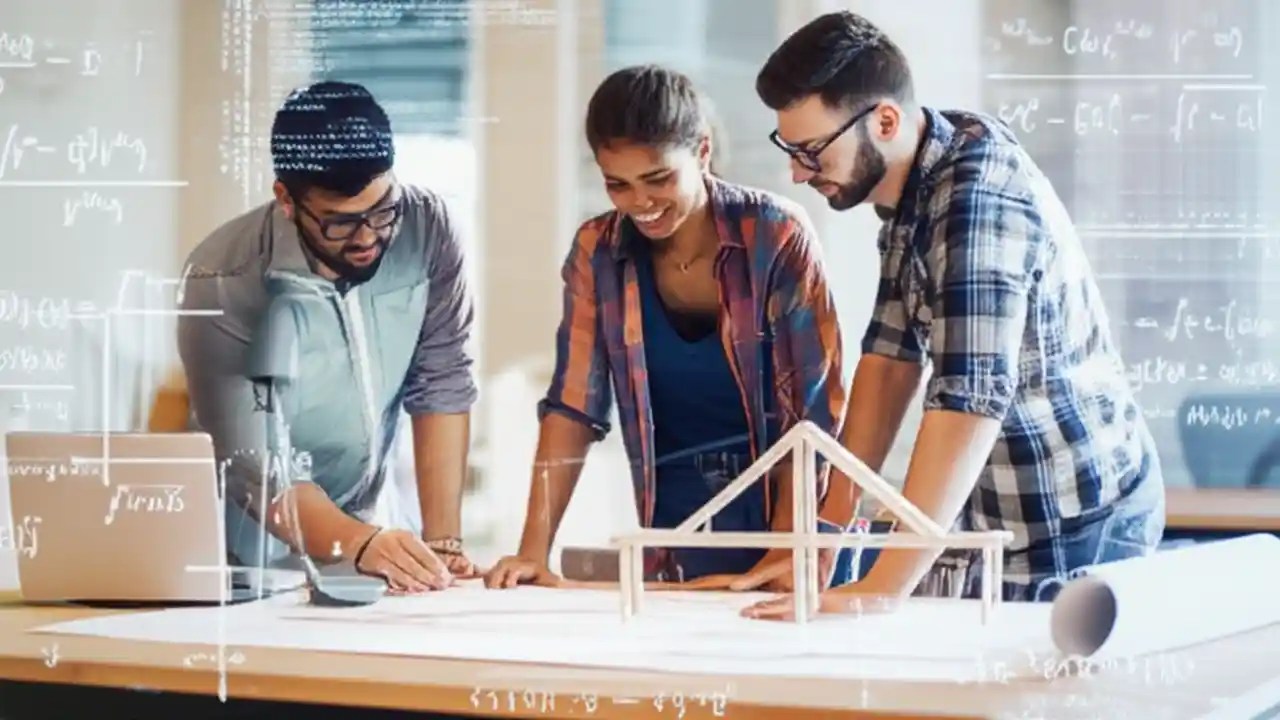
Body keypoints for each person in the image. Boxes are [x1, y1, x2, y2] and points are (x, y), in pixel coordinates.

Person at [743, 11, 1166, 618]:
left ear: (884, 121)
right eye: (791, 150)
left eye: (812, 151)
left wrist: (879, 591)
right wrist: (826, 539)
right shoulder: (917, 175)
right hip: (991, 505)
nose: (798, 173)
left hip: (1078, 515)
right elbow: (888, 365)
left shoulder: (977, 204)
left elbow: (969, 400)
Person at [484, 65, 853, 590]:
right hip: (674, 521)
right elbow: (573, 407)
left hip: (784, 512)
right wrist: (533, 551)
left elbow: (815, 415)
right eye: (618, 184)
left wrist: (790, 552)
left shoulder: (776, 236)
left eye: (658, 178)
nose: (641, 203)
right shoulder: (599, 251)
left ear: (702, 152)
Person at [178, 81, 480, 593]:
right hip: (243, 547)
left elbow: (442, 383)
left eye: (381, 210)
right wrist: (358, 542)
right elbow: (255, 465)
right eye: (340, 223)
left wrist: (443, 543)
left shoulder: (426, 227)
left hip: (368, 527)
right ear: (287, 200)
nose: (367, 238)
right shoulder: (220, 277)